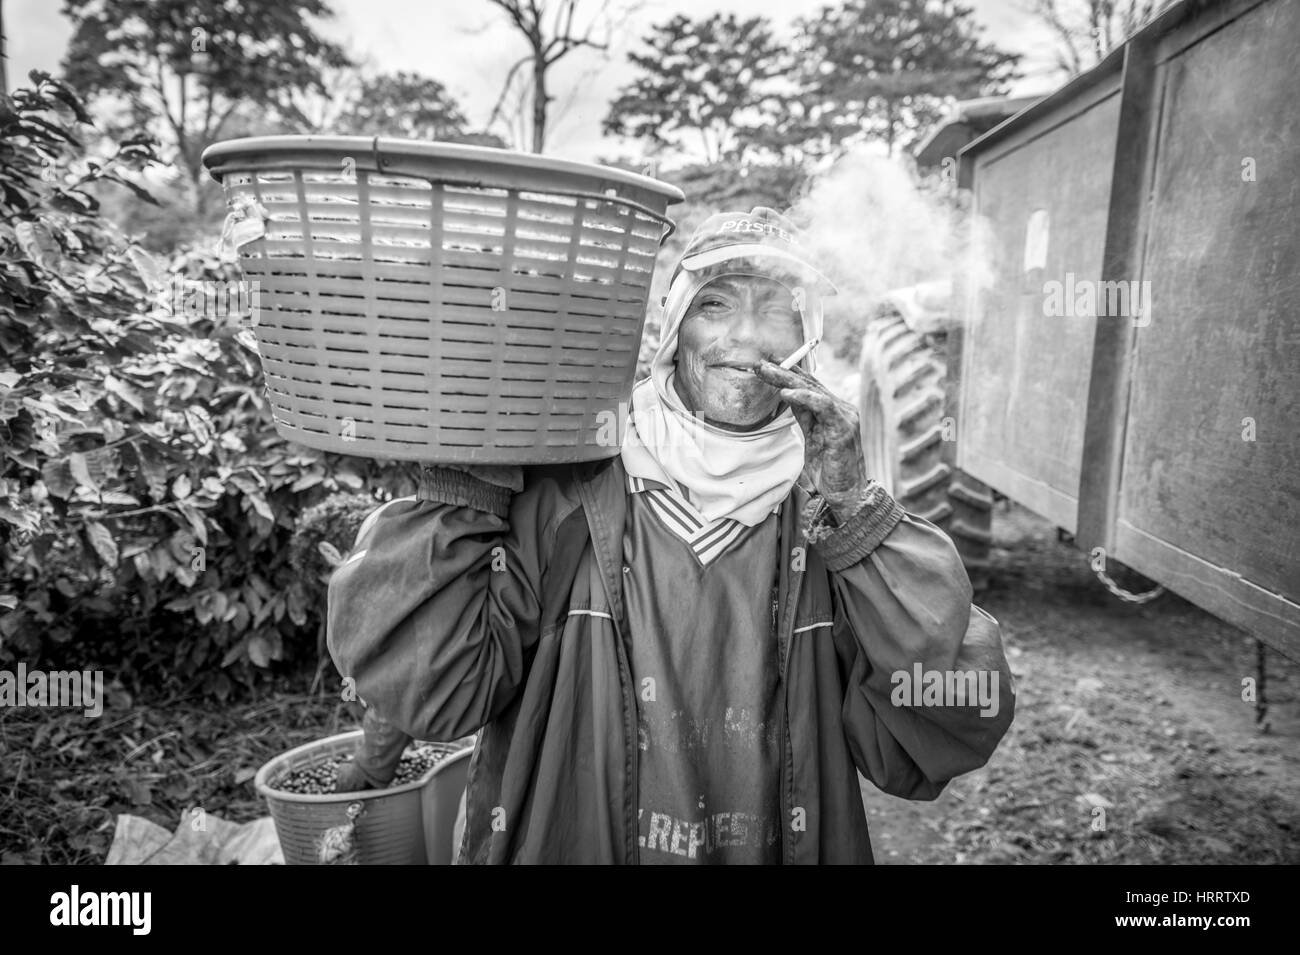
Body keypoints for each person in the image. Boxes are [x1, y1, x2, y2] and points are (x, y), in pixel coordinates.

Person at [327, 205, 1015, 864]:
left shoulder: (829, 514)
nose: (747, 336)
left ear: (806, 336)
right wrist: (464, 483)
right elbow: (435, 685)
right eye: (716, 303)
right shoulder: (572, 486)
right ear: (675, 326)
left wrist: (853, 511)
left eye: (775, 307)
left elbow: (943, 726)